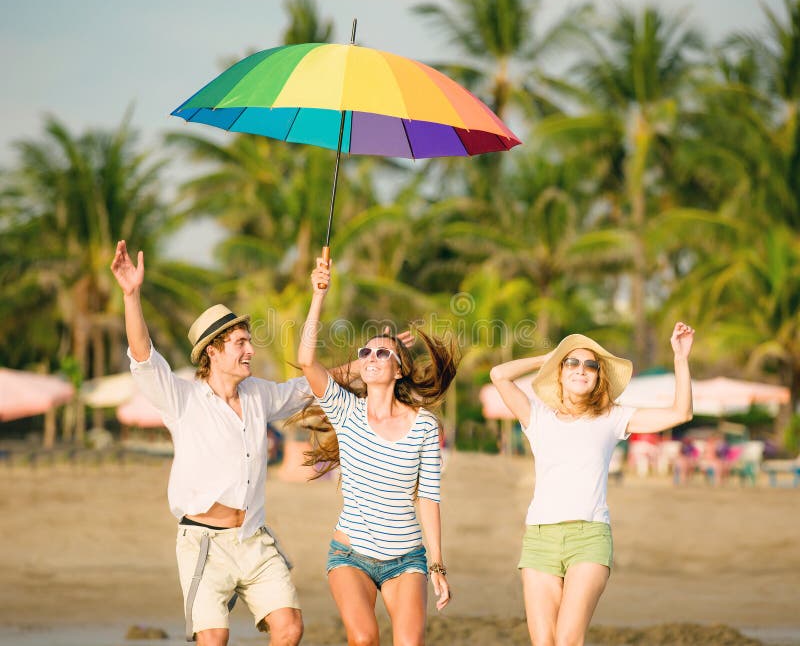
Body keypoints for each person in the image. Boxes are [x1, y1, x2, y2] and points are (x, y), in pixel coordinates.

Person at [110, 240, 308, 646]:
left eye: (249, 341)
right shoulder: (181, 398)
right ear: (213, 352)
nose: (251, 350)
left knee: (289, 628)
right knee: (213, 638)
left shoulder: (258, 394)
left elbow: (309, 388)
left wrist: (364, 362)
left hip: (254, 538)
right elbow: (143, 355)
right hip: (203, 543)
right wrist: (132, 295)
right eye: (240, 343)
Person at [490, 322, 694, 646]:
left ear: (599, 376)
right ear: (559, 372)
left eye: (590, 365)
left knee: (568, 639)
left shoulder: (612, 417)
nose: (580, 369)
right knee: (543, 642)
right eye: (571, 362)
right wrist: (550, 355)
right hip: (540, 538)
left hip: (590, 537)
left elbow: (681, 412)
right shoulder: (537, 416)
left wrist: (680, 358)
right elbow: (499, 374)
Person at [296, 258, 458, 646]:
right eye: (365, 352)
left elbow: (430, 497)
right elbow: (306, 361)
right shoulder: (345, 410)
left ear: (400, 369)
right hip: (350, 555)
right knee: (364, 638)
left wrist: (436, 563)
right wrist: (318, 296)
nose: (370, 358)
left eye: (382, 353)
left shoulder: (423, 425)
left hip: (407, 560)